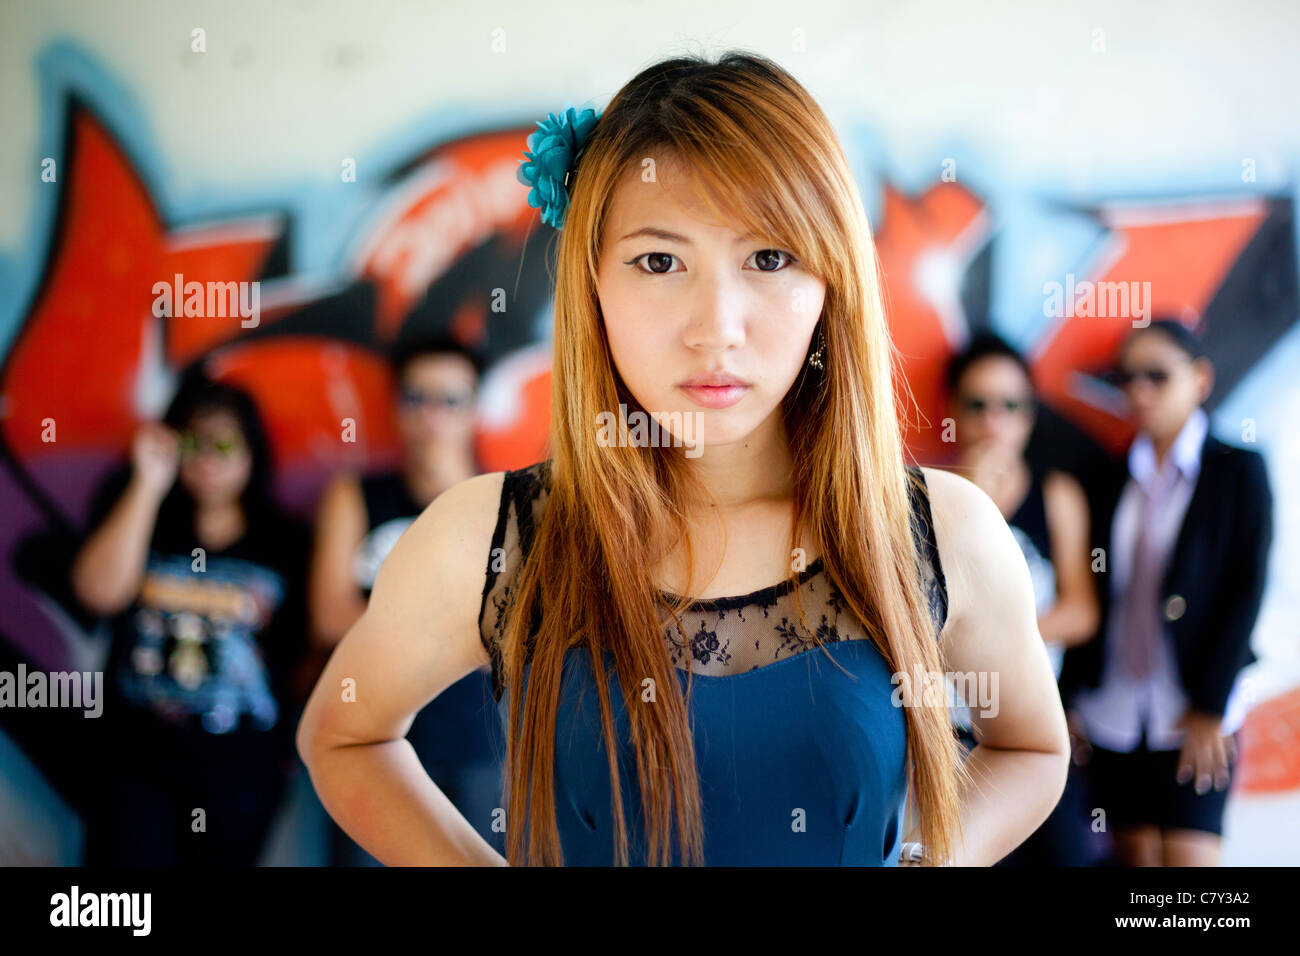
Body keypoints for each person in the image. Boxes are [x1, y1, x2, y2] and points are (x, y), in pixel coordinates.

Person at [297, 51, 1070, 867]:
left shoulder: (935, 533)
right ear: (591, 282)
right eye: (659, 262)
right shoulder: (496, 540)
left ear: (833, 279)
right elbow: (345, 736)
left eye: (770, 258)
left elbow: (1031, 749)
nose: (717, 327)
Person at [69, 373, 310, 865]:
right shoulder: (142, 518)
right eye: (193, 443)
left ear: (252, 451)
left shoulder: (286, 541)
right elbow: (97, 594)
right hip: (135, 759)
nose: (209, 458)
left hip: (241, 766)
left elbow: (307, 651)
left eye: (226, 443)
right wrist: (146, 486)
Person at [1065, 319, 1273, 866]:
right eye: (1127, 377)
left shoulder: (1237, 472)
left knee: (1192, 874)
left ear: (1200, 378)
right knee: (1136, 865)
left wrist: (1211, 705)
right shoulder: (1108, 478)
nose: (1139, 391)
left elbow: (1245, 590)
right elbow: (1094, 592)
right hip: (1112, 709)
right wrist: (1071, 696)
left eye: (1157, 375)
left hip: (1193, 709)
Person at [308, 334, 504, 864]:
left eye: (450, 400)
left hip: (482, 747)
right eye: (416, 398)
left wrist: (390, 632)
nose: (432, 416)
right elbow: (329, 618)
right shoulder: (357, 494)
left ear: (473, 410)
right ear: (396, 407)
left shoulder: (508, 501)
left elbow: (521, 634)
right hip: (368, 743)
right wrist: (460, 636)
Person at [943, 332, 1101, 865]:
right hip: (949, 742)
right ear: (955, 411)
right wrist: (979, 500)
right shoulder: (931, 494)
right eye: (978, 404)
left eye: (1012, 405)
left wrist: (995, 643)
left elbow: (1081, 611)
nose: (996, 420)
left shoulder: (1056, 496)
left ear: (1030, 414)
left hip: (1034, 730)